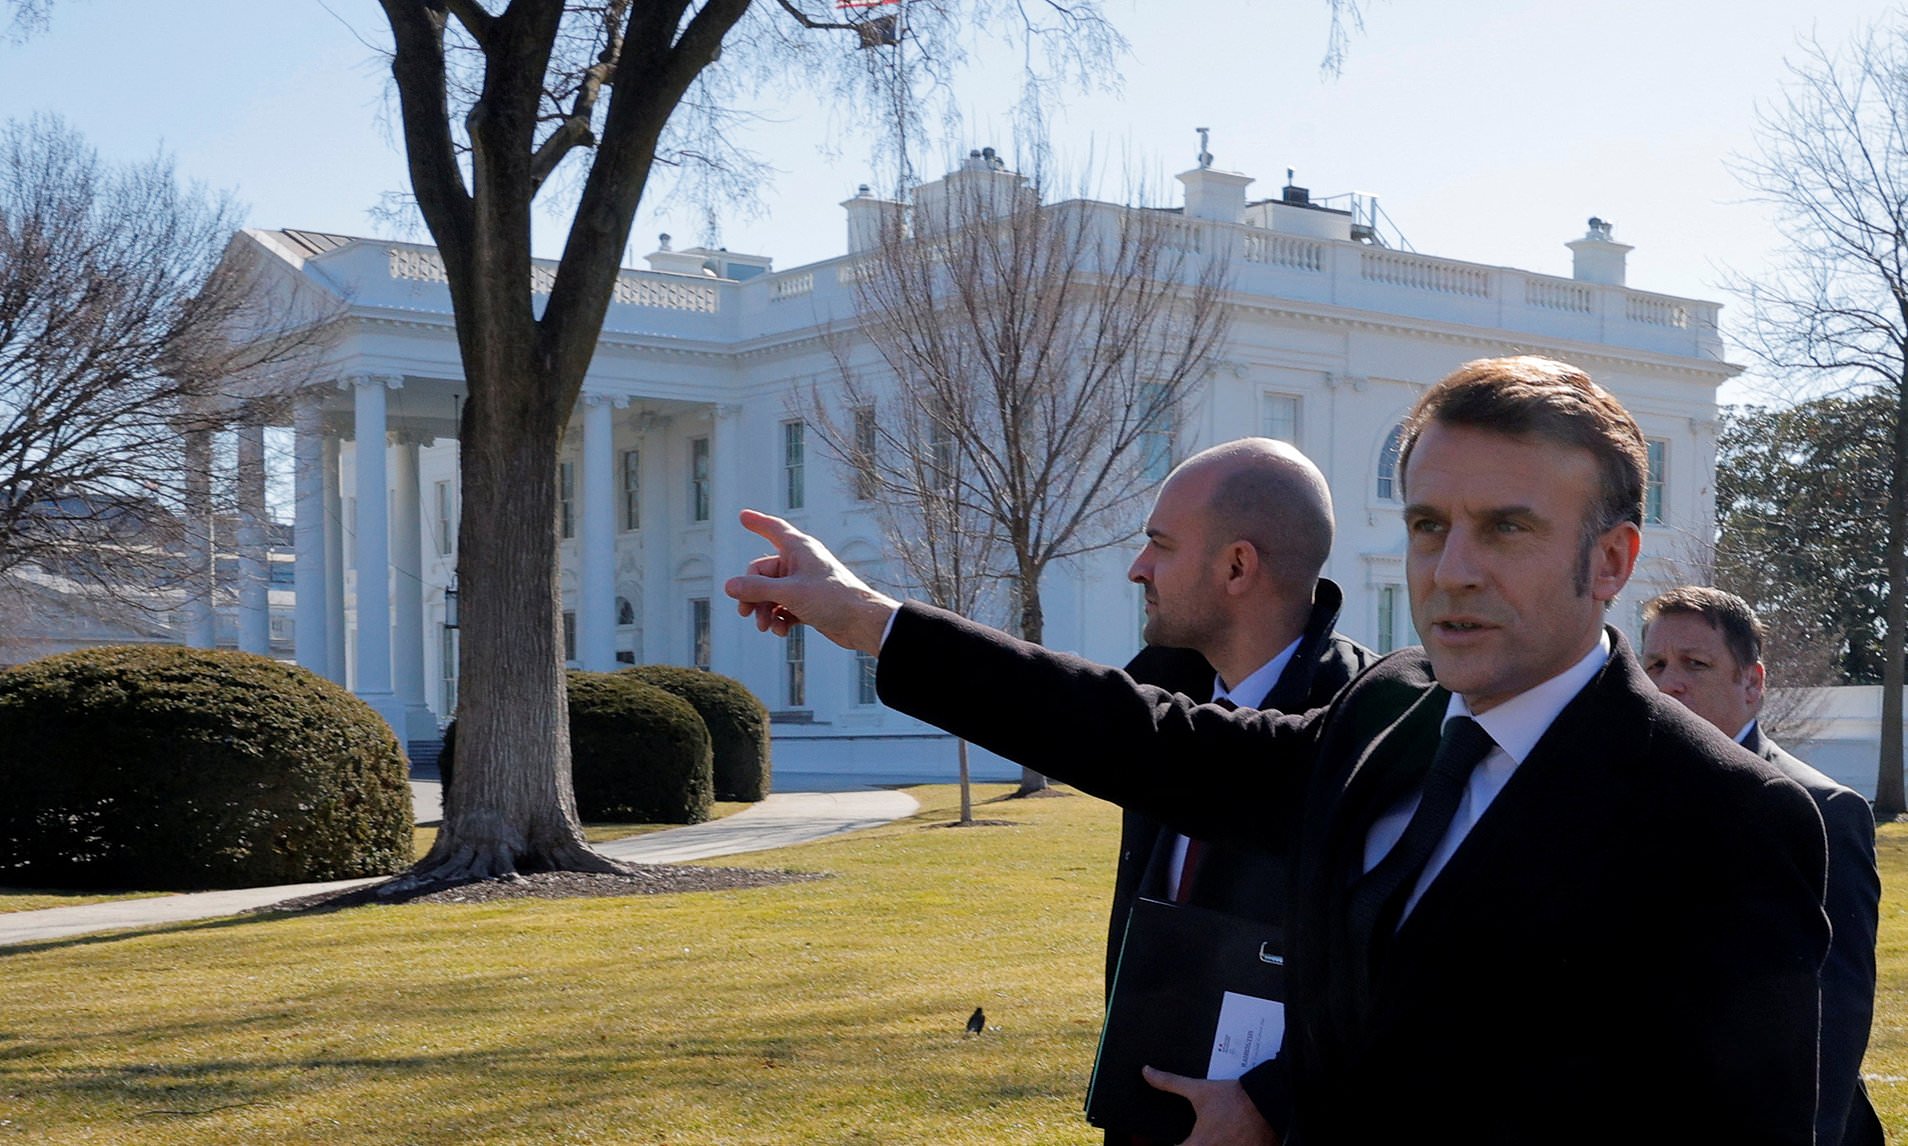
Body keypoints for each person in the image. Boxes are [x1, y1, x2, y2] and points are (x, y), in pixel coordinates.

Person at [727, 355, 1829, 1144]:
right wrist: (868, 618)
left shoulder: (1728, 822)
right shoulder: (1388, 710)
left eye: (1507, 527)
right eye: (1429, 524)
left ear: (1612, 561)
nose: (1451, 568)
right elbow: (1143, 738)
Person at [1110, 438, 1374, 1144]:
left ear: (1237, 566)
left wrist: (1271, 1102)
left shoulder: (1363, 739)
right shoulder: (1153, 696)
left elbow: (1395, 989)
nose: (1138, 568)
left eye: (1160, 545)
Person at [1641, 586, 1883, 1146]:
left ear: (1752, 683)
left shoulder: (1824, 811)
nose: (1668, 683)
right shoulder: (1622, 796)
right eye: (1655, 665)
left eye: (1695, 664)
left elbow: (1836, 1010)